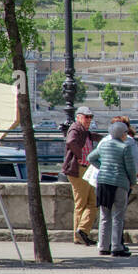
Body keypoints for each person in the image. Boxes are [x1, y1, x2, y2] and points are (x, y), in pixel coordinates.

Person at [86, 119, 138, 257]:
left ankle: (103, 246)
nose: (126, 135)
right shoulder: (125, 147)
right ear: (122, 134)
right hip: (119, 183)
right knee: (118, 216)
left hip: (103, 183)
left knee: (104, 215)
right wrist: (133, 181)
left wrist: (102, 167)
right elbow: (130, 167)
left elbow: (90, 158)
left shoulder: (104, 145)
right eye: (125, 133)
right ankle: (116, 247)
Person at [63, 105, 98, 246]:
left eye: (90, 117)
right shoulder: (76, 128)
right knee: (81, 204)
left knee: (93, 202)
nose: (89, 119)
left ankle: (82, 231)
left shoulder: (84, 130)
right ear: (78, 117)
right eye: (86, 116)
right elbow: (70, 141)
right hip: (79, 170)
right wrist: (80, 156)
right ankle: (79, 235)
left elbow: (91, 137)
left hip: (85, 169)